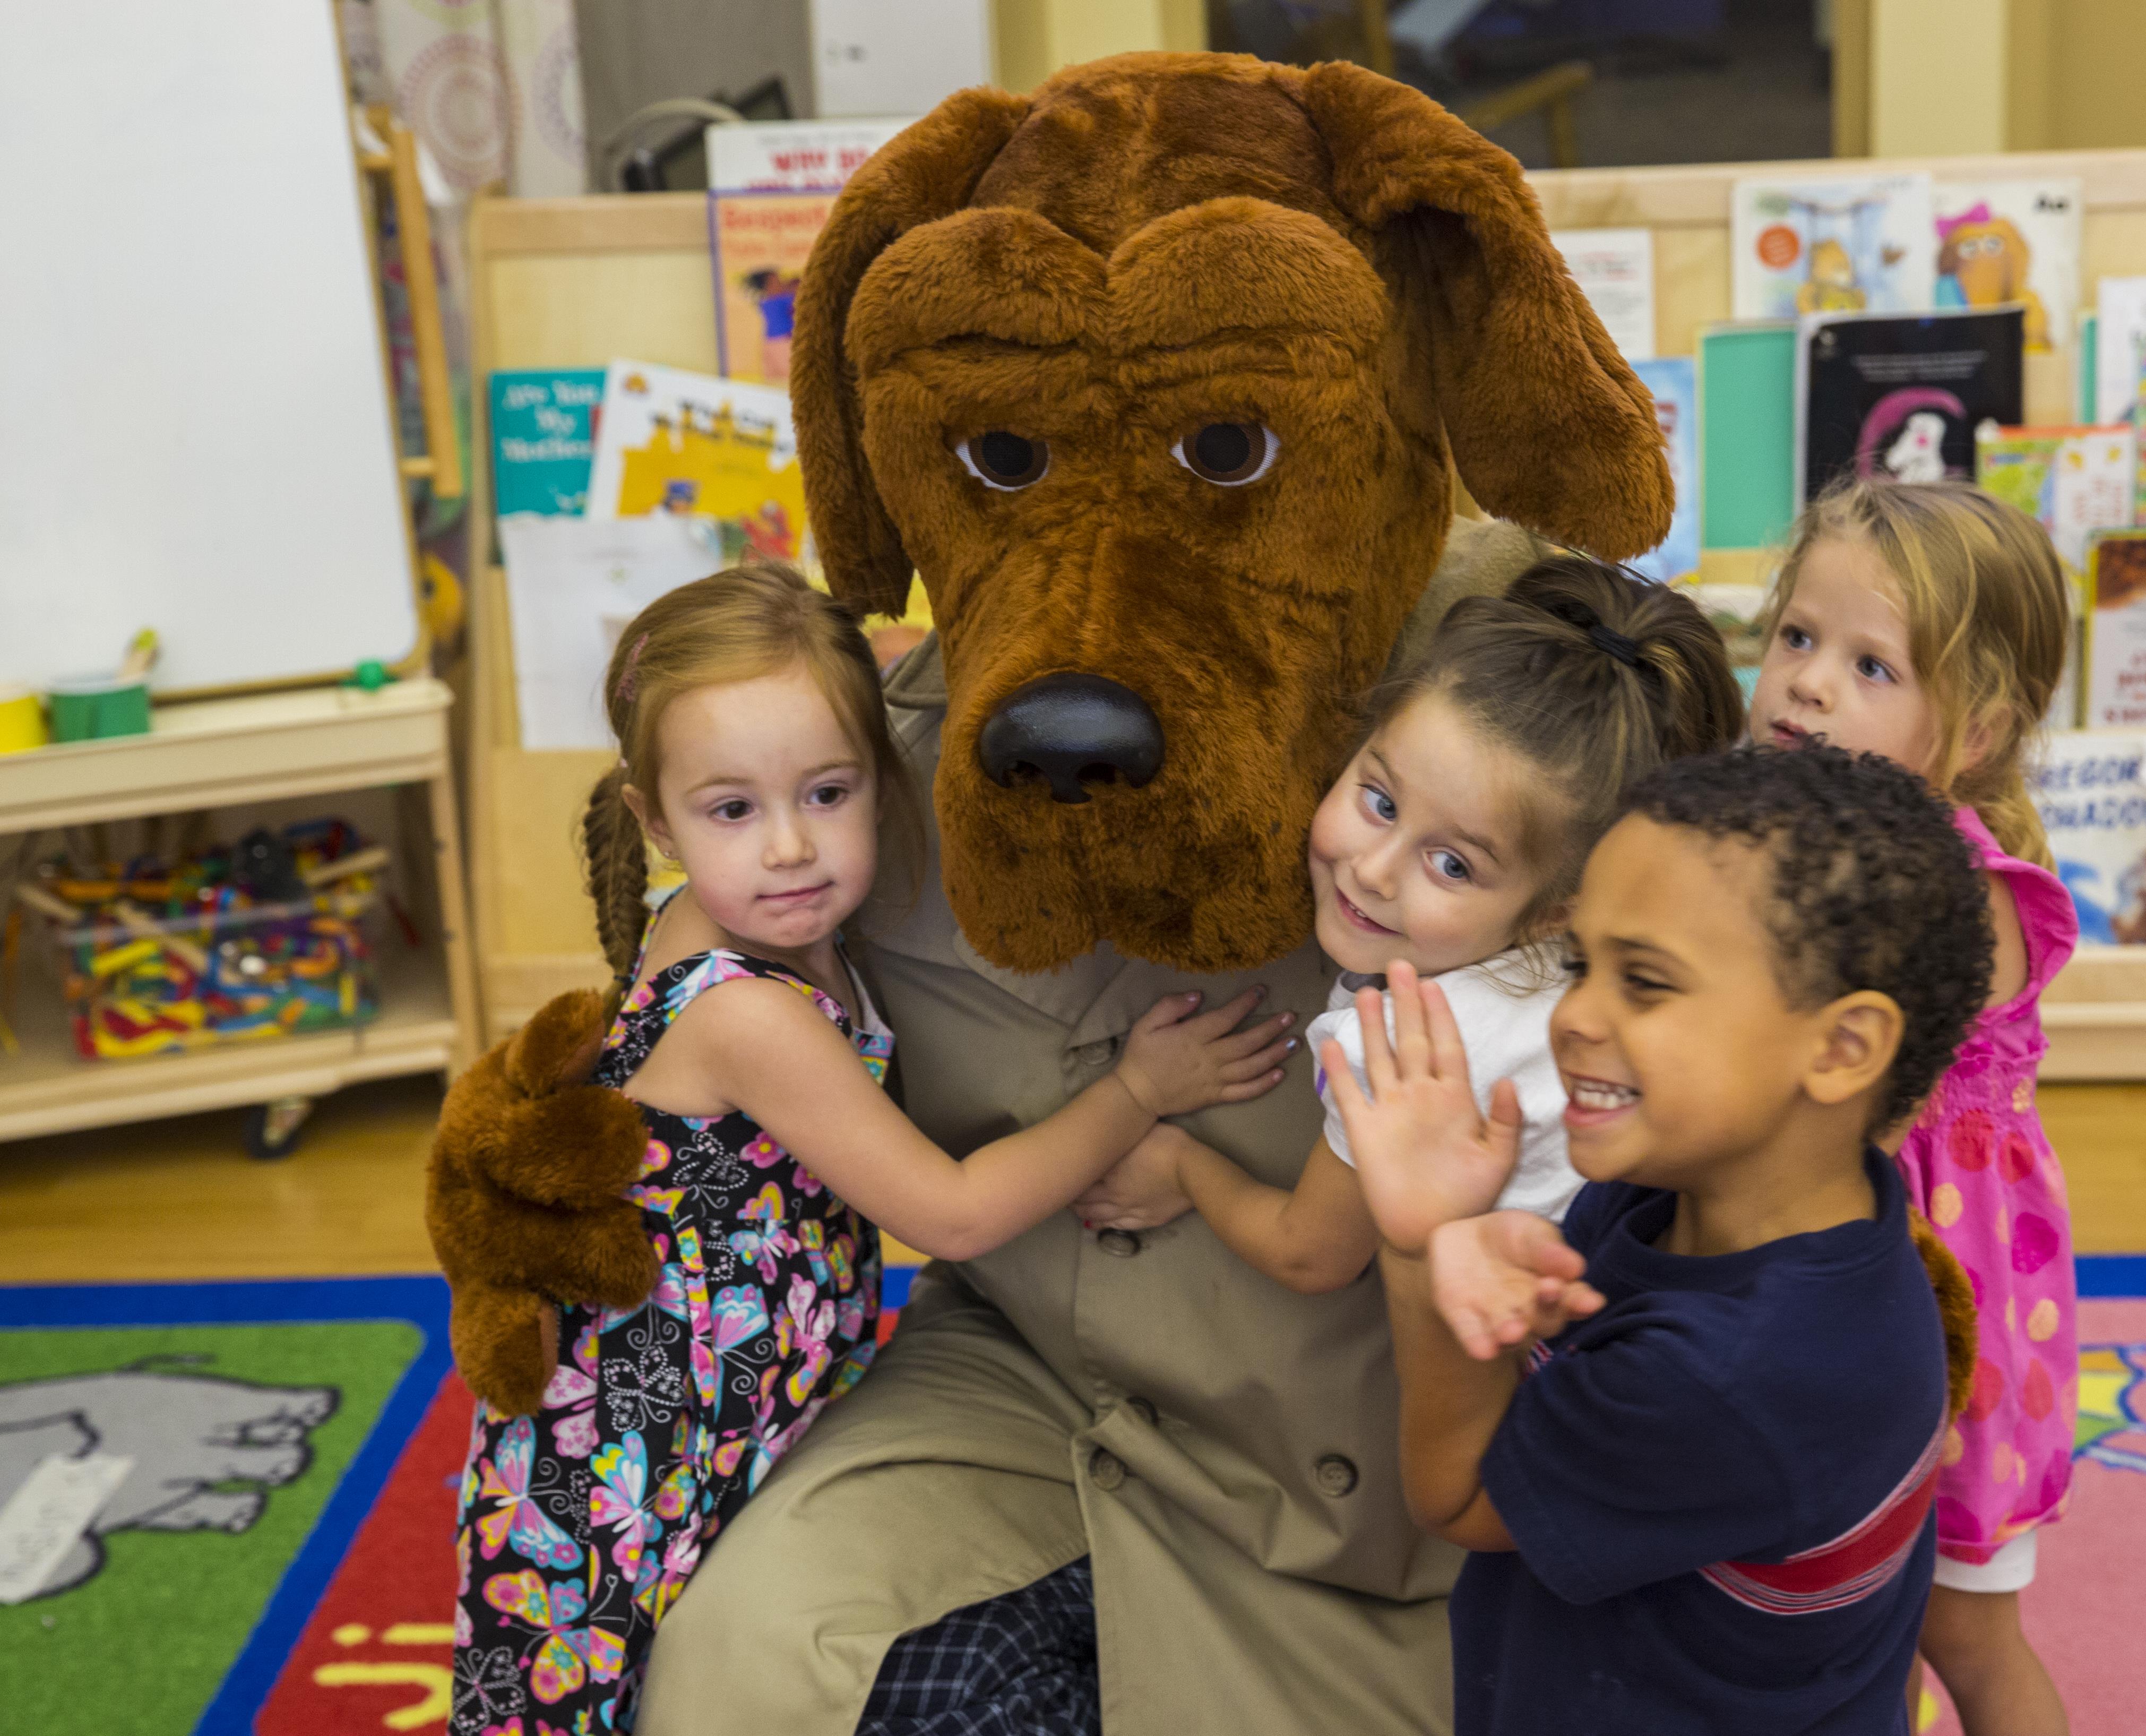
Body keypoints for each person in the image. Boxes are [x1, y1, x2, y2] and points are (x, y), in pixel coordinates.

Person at [446, 565, 1295, 1736]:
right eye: (731, 810)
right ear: (655, 821)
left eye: (828, 792)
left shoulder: (772, 928)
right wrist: (1139, 1089)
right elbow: (947, 1215)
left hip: (719, 1409)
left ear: (882, 783)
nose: (791, 849)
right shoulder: (746, 1012)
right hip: (640, 1451)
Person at [1332, 745, 1994, 1734]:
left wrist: (1422, 1244)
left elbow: (1461, 1494)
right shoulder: (1762, 1206)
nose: (1576, 1015)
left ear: (1841, 1048)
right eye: (1579, 964)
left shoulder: (1724, 1376)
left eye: (1644, 981)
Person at [1070, 556, 1744, 1291]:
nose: (1373, 871)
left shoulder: (1402, 1044)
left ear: (1554, 913)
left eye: (1452, 865)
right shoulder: (1600, 975)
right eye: (1381, 802)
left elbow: (1313, 1254)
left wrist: (1181, 1167)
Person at [1747, 477, 2079, 1735]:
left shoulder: (1941, 887)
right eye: (1794, 637)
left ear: (1977, 728)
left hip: (1950, 1316)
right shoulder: (1810, 830)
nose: (1809, 683)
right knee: (1856, 1611)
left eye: (1869, 666)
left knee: (1963, 1630)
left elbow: (1849, 1109)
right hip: (1859, 1282)